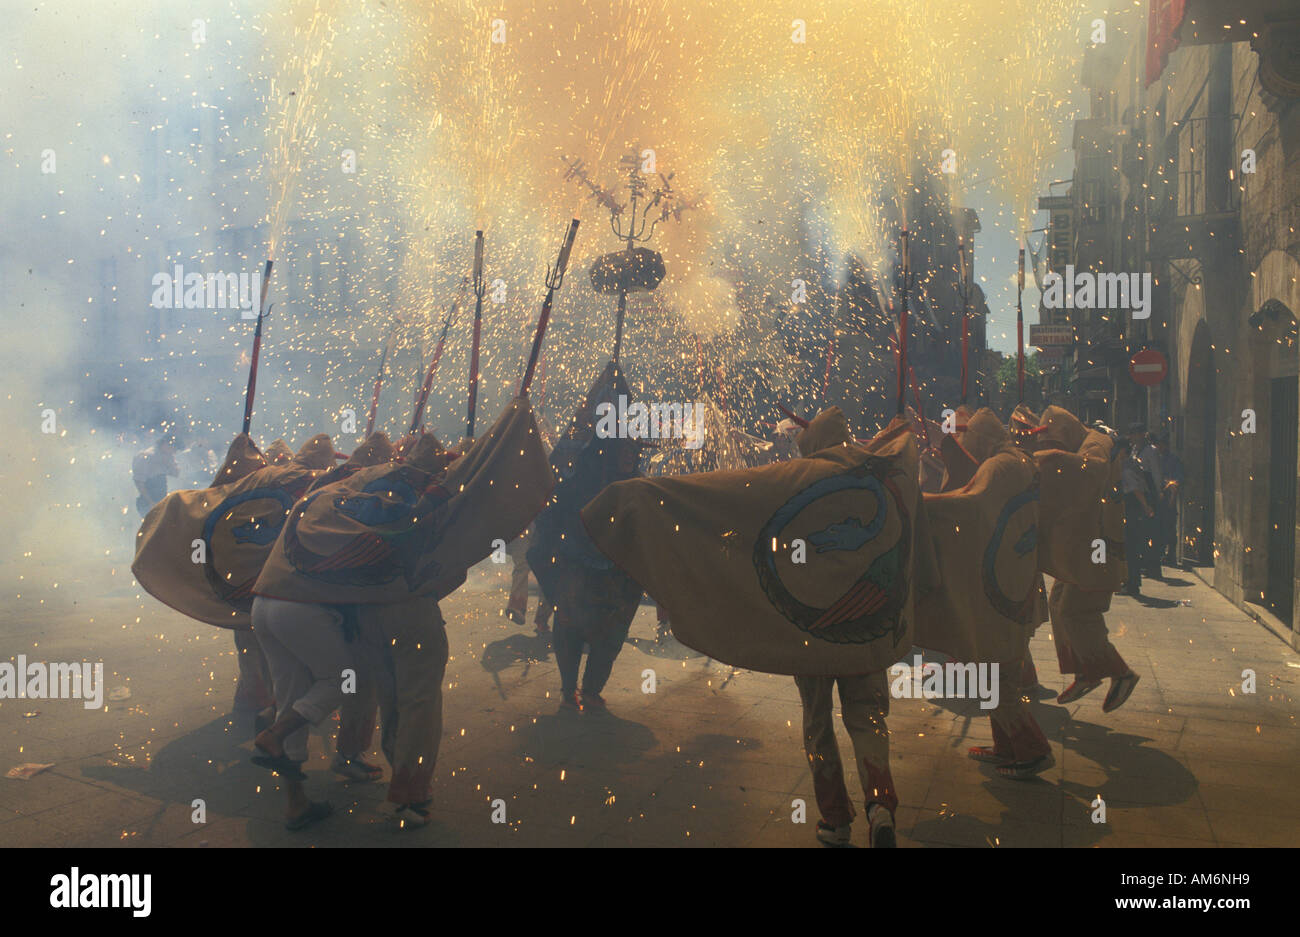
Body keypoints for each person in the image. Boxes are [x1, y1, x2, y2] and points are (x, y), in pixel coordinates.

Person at [250, 596, 354, 831]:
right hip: (300, 605)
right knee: (344, 680)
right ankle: (274, 733)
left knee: (290, 699)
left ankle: (296, 804)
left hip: (263, 604)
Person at [1120, 423, 1158, 595]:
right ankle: (1132, 581)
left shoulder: (1146, 453)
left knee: (1133, 545)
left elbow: (1139, 486)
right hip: (1136, 506)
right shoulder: (1133, 456)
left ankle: (1135, 581)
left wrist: (1149, 504)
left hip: (1138, 505)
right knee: (1132, 546)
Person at [1154, 432, 1184, 566]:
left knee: (1170, 527)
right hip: (1156, 497)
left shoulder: (1173, 460)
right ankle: (1160, 553)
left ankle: (1171, 555)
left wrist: (1172, 498)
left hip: (1168, 496)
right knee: (1158, 527)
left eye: (1162, 445)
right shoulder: (1154, 458)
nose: (1160, 448)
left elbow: (1177, 480)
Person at [132, 431, 179, 516]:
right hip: (147, 500)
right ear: (165, 444)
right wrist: (150, 502)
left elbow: (176, 474)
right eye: (173, 448)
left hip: (161, 498)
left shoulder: (169, 456)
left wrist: (169, 463)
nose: (174, 451)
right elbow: (139, 482)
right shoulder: (147, 456)